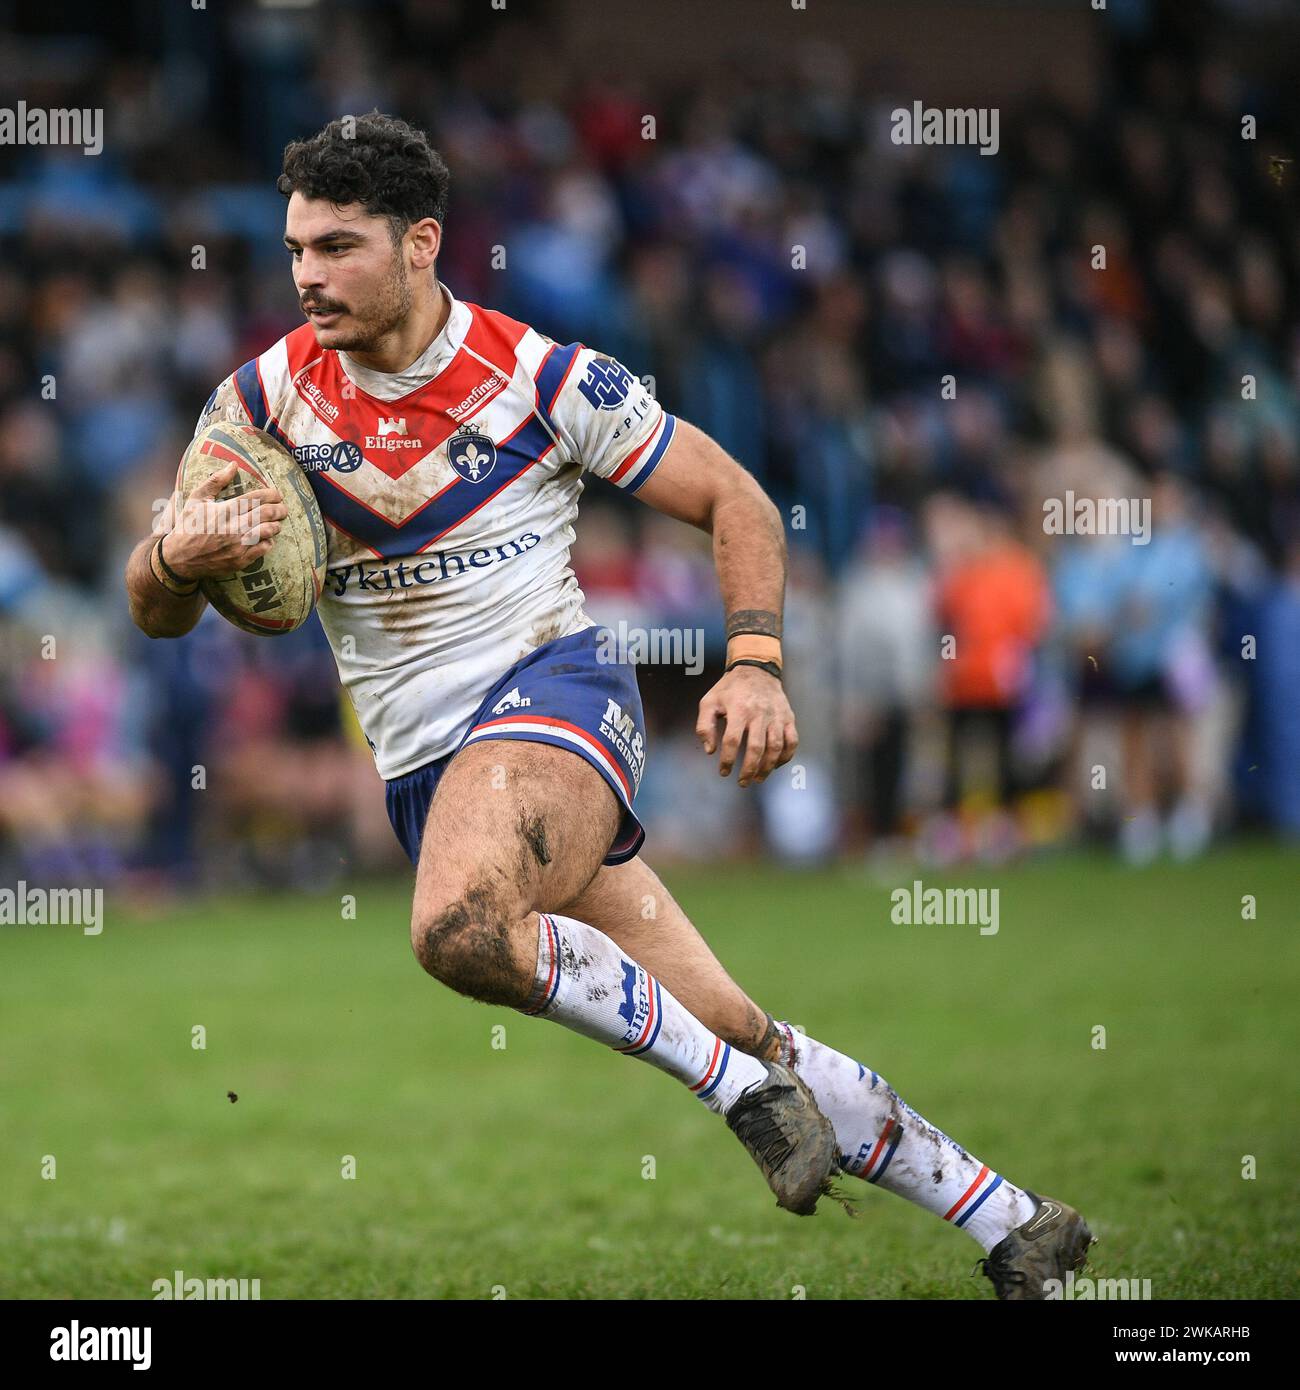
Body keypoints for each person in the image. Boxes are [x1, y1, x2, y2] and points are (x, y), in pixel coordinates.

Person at [123, 113, 1090, 1298]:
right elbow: (153, 602)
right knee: (732, 1021)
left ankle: (741, 1104)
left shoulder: (541, 378)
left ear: (421, 243)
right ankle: (1014, 1221)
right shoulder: (262, 401)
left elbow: (736, 498)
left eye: (337, 246)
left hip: (555, 696)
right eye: (295, 250)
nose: (307, 276)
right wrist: (177, 558)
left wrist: (752, 661)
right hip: (430, 775)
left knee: (457, 931)